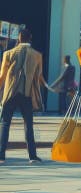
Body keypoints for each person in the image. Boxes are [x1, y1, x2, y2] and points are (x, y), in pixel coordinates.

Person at [0, 29, 45, 164]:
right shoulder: (37, 55)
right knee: (28, 125)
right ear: (30, 38)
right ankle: (32, 156)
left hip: (10, 93)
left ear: (19, 38)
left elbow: (2, 76)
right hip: (26, 94)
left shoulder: (8, 53)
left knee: (5, 123)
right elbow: (39, 77)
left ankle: (1, 156)